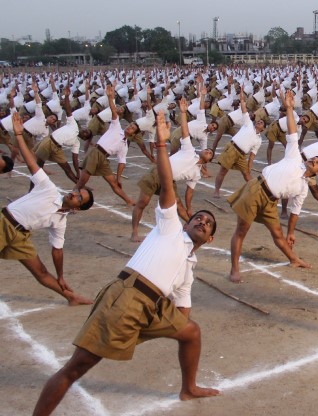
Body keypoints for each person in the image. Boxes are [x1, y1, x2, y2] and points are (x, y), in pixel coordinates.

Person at [32, 111, 220, 416]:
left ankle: (188, 387)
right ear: (187, 223)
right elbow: (168, 188)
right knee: (75, 368)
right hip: (126, 299)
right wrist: (161, 146)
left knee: (192, 332)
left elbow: (182, 311)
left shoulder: (189, 266)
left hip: (152, 307)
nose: (203, 220)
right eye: (199, 216)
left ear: (209, 238)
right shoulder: (170, 227)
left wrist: (174, 326)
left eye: (209, 222)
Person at [226, 89, 318, 283]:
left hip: (271, 202)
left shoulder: (303, 189)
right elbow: (293, 133)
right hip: (257, 189)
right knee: (241, 231)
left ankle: (294, 259)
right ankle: (234, 269)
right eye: (314, 158)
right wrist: (288, 109)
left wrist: (291, 232)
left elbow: (295, 212)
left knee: (278, 234)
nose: (314, 160)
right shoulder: (295, 156)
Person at [1, 111, 94, 306]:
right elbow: (32, 164)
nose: (74, 194)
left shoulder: (61, 221)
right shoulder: (49, 188)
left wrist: (60, 275)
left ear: (77, 208)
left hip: (21, 236)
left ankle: (71, 297)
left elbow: (57, 250)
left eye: (79, 197)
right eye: (77, 191)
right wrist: (19, 135)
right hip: (5, 224)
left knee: (41, 272)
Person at [132, 98, 214, 242]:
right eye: (207, 150)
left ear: (208, 161)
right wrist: (183, 113)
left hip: (170, 182)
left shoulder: (196, 174)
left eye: (210, 153)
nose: (207, 151)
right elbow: (185, 131)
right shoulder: (189, 150)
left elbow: (189, 192)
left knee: (180, 207)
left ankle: (193, 228)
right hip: (158, 173)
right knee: (142, 202)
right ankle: (134, 232)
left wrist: (189, 209)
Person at [74, 83, 136, 206]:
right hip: (96, 153)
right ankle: (72, 200)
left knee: (113, 183)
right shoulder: (116, 127)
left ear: (133, 134)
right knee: (82, 182)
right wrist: (110, 97)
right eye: (130, 125)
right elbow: (114, 111)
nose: (129, 127)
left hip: (103, 159)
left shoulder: (124, 146)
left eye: (132, 128)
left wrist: (119, 178)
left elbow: (122, 162)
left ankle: (128, 201)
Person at [213, 88, 265, 198]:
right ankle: (216, 191)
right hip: (232, 148)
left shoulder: (259, 140)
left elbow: (252, 156)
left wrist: (249, 166)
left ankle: (255, 192)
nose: (259, 122)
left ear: (263, 129)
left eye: (261, 123)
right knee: (223, 171)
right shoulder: (249, 124)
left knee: (246, 174)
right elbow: (244, 110)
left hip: (242, 155)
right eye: (259, 121)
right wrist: (241, 98)